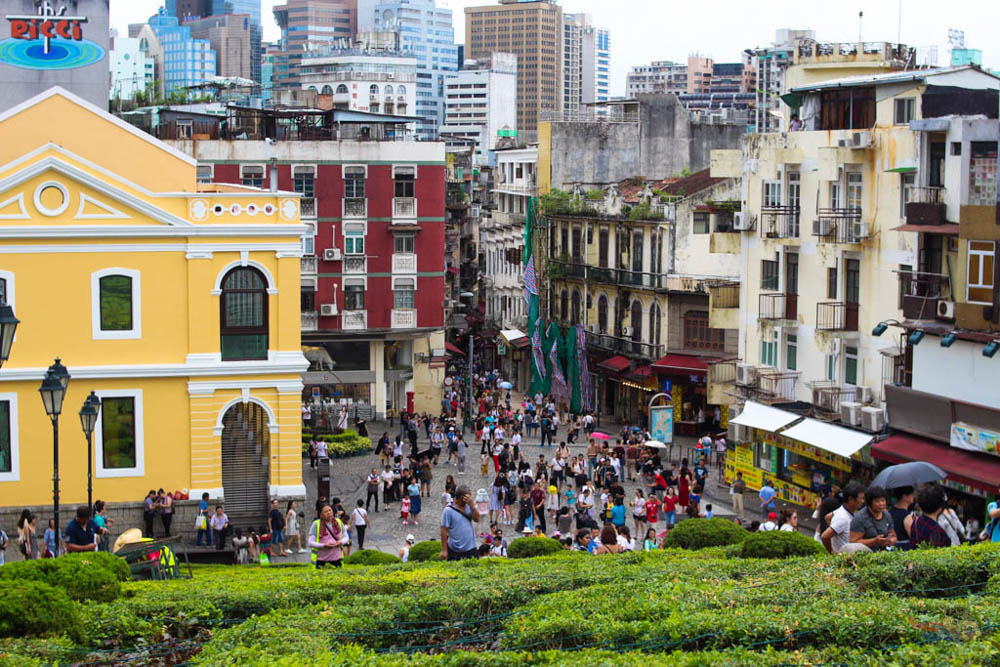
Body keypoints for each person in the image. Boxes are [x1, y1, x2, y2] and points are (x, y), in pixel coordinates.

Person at [821, 481, 865, 554]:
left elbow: (828, 517)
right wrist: (832, 552)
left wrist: (836, 534)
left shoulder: (843, 510)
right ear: (851, 500)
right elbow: (825, 536)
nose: (863, 501)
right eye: (861, 498)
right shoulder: (843, 519)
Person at [849, 485, 897, 552]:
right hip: (865, 555)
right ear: (869, 502)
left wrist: (890, 541)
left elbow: (893, 535)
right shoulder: (860, 518)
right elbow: (853, 542)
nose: (881, 504)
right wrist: (874, 541)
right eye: (877, 501)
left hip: (885, 553)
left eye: (883, 500)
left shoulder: (887, 515)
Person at [440, 485, 481, 561]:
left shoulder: (469, 506)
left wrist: (472, 506)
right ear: (462, 497)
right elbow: (444, 530)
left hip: (470, 547)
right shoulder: (448, 510)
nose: (470, 499)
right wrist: (444, 550)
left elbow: (477, 519)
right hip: (454, 549)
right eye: (468, 497)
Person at [308, 504, 346, 568]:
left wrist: (341, 542)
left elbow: (346, 537)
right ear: (321, 514)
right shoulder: (316, 524)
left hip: (337, 559)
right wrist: (324, 545)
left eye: (330, 510)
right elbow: (310, 542)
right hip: (321, 561)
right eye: (325, 511)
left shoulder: (338, 522)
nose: (329, 513)